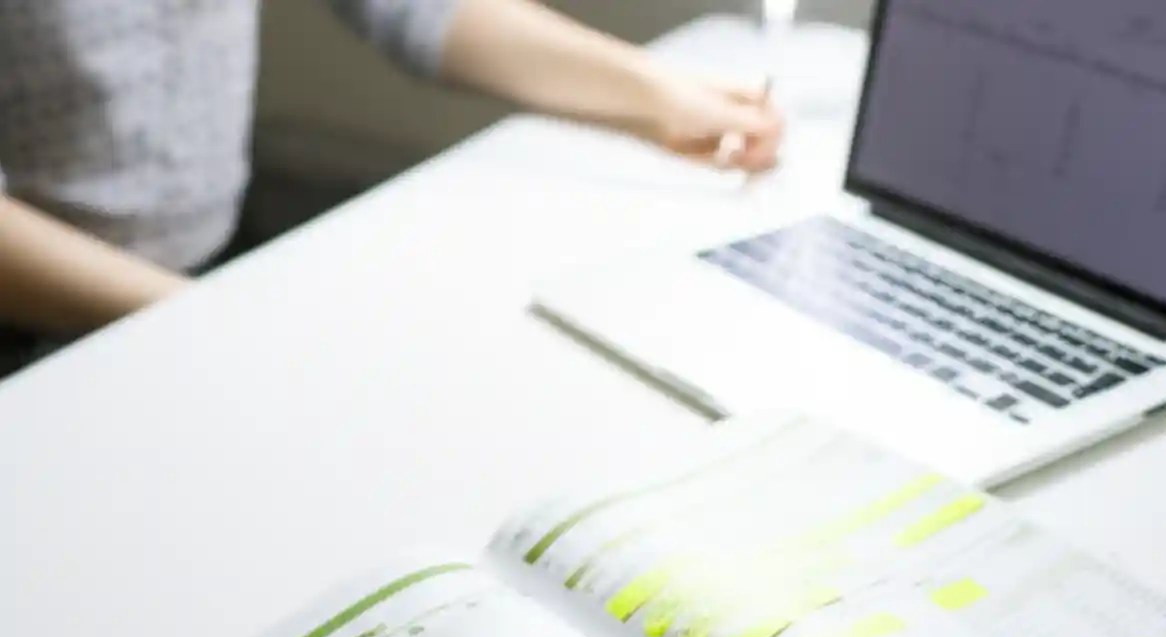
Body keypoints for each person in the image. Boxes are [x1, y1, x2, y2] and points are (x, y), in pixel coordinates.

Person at [0, 0, 784, 377]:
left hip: (194, 272)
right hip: (36, 322)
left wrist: (648, 92)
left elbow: (415, 8)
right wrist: (205, 323)